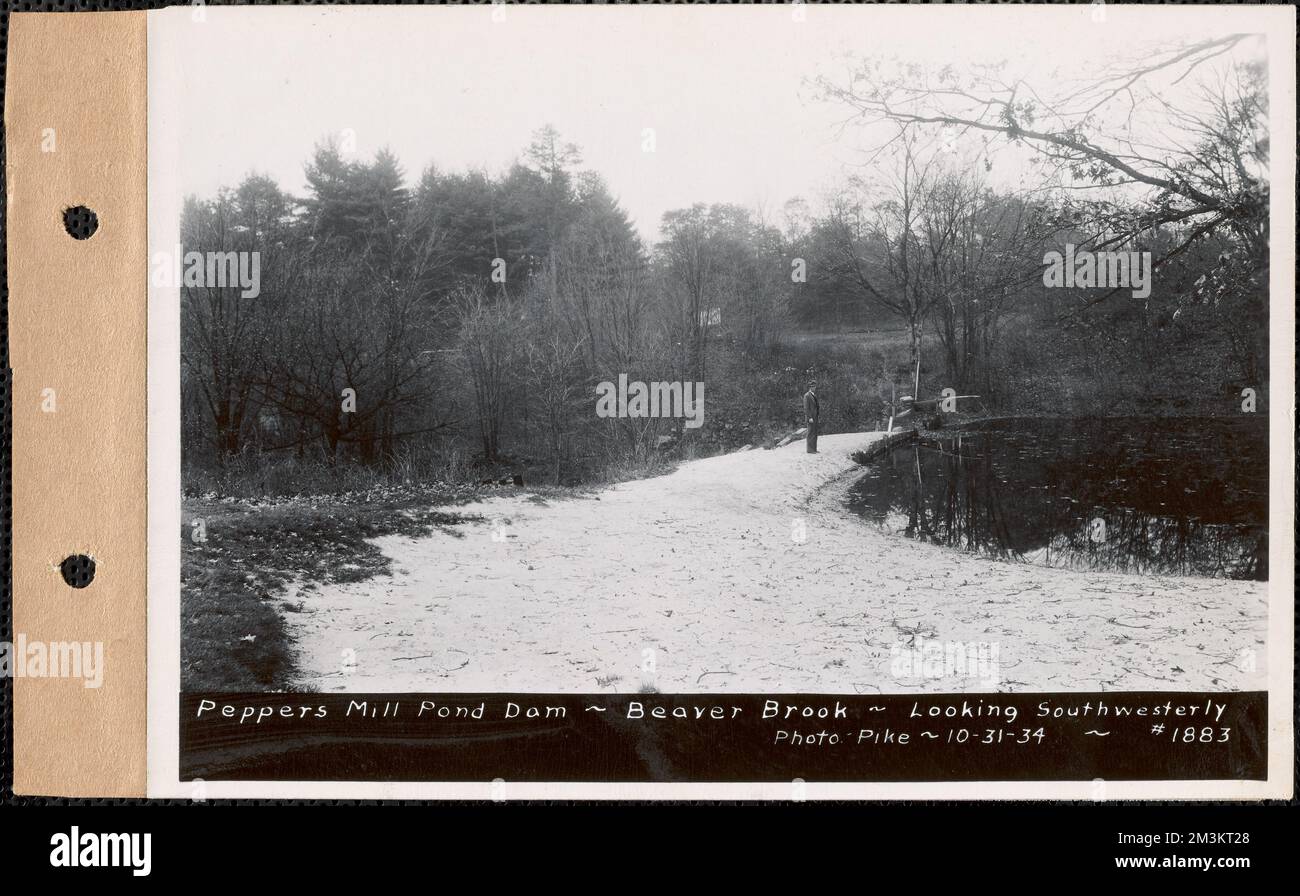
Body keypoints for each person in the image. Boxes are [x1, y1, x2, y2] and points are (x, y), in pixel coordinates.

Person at [803, 381, 820, 453]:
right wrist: (809, 417)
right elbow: (806, 408)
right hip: (811, 418)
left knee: (815, 433)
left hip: (815, 417)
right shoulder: (807, 395)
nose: (814, 388)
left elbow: (816, 407)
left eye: (814, 386)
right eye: (812, 386)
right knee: (810, 433)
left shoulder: (814, 395)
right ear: (810, 387)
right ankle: (810, 450)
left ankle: (814, 449)